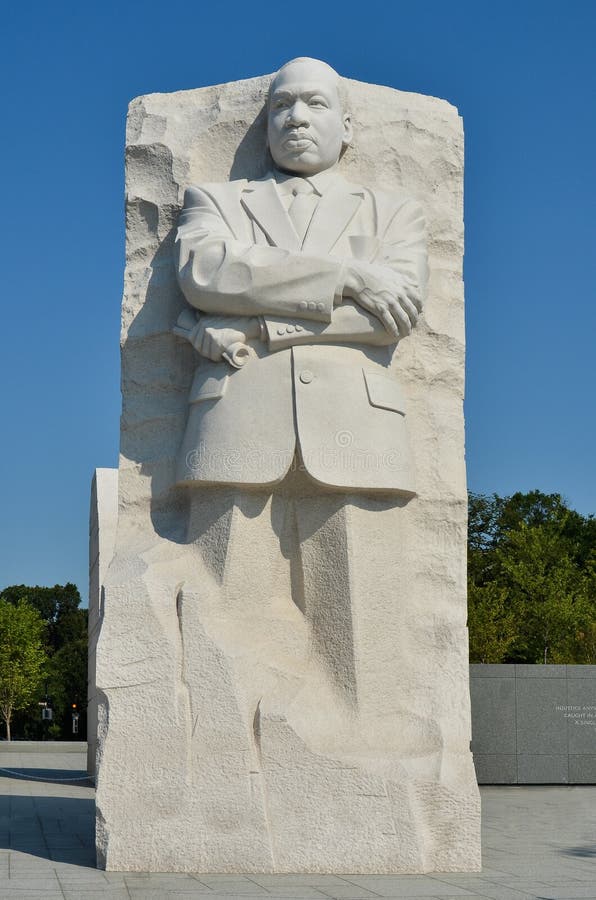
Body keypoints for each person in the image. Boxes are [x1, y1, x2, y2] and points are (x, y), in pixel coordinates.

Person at [173, 57, 429, 701]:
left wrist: (264, 324)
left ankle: (372, 760)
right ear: (264, 126)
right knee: (219, 623)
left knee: (364, 645)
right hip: (235, 422)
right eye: (282, 106)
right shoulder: (217, 201)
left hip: (359, 430)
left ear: (349, 127)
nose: (296, 118)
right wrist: (346, 276)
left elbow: (388, 322)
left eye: (315, 104)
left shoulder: (394, 212)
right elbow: (207, 276)